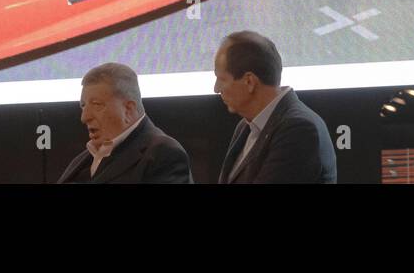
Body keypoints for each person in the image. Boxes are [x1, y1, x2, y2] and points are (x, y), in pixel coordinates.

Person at [214, 30, 335, 183]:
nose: (216, 88)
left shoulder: (299, 129)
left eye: (221, 79)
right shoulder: (245, 127)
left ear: (249, 81)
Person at [57, 62, 192, 184]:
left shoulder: (164, 154)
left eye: (97, 105)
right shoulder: (81, 160)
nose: (84, 117)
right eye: (83, 106)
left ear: (128, 110)